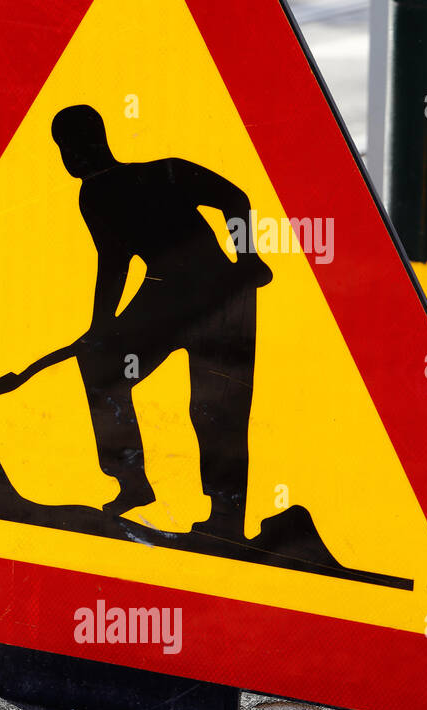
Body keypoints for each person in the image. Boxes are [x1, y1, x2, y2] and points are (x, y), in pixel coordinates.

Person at [50, 104, 273, 539]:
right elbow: (114, 263)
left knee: (216, 406)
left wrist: (246, 257)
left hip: (220, 294)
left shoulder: (163, 172)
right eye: (63, 148)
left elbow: (235, 199)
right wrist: (100, 328)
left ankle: (227, 516)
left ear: (95, 141)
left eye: (73, 145)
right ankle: (132, 479)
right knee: (101, 368)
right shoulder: (94, 197)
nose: (70, 157)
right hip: (166, 294)